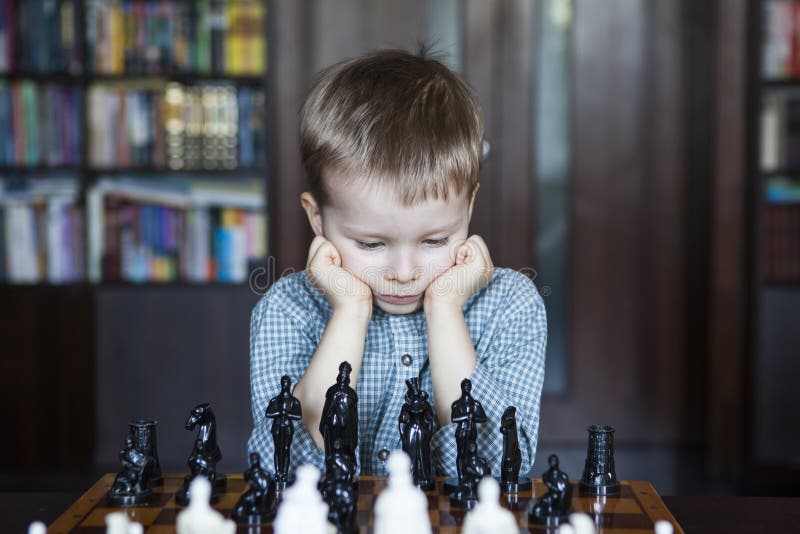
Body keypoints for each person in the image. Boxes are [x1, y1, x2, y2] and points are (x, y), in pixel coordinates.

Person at [247, 48, 547, 477]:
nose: (404, 273)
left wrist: (445, 310)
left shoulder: (511, 305)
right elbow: (283, 467)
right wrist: (349, 312)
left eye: (435, 240)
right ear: (317, 217)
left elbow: (498, 468)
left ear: (469, 206)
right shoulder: (287, 310)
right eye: (371, 244)